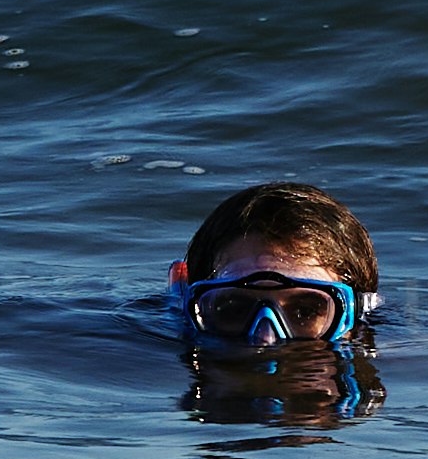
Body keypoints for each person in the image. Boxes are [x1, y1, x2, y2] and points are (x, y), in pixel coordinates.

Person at [159, 176, 384, 410]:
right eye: (234, 308)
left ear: (356, 312)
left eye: (305, 312)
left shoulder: (401, 356)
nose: (265, 341)